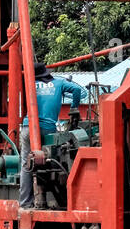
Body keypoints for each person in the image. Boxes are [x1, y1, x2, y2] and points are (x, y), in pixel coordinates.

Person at [19, 64, 83, 209]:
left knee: (26, 165)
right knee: (52, 162)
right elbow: (77, 90)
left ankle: (25, 203)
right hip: (48, 129)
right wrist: (74, 107)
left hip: (28, 128)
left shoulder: (30, 85)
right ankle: (61, 199)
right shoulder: (59, 83)